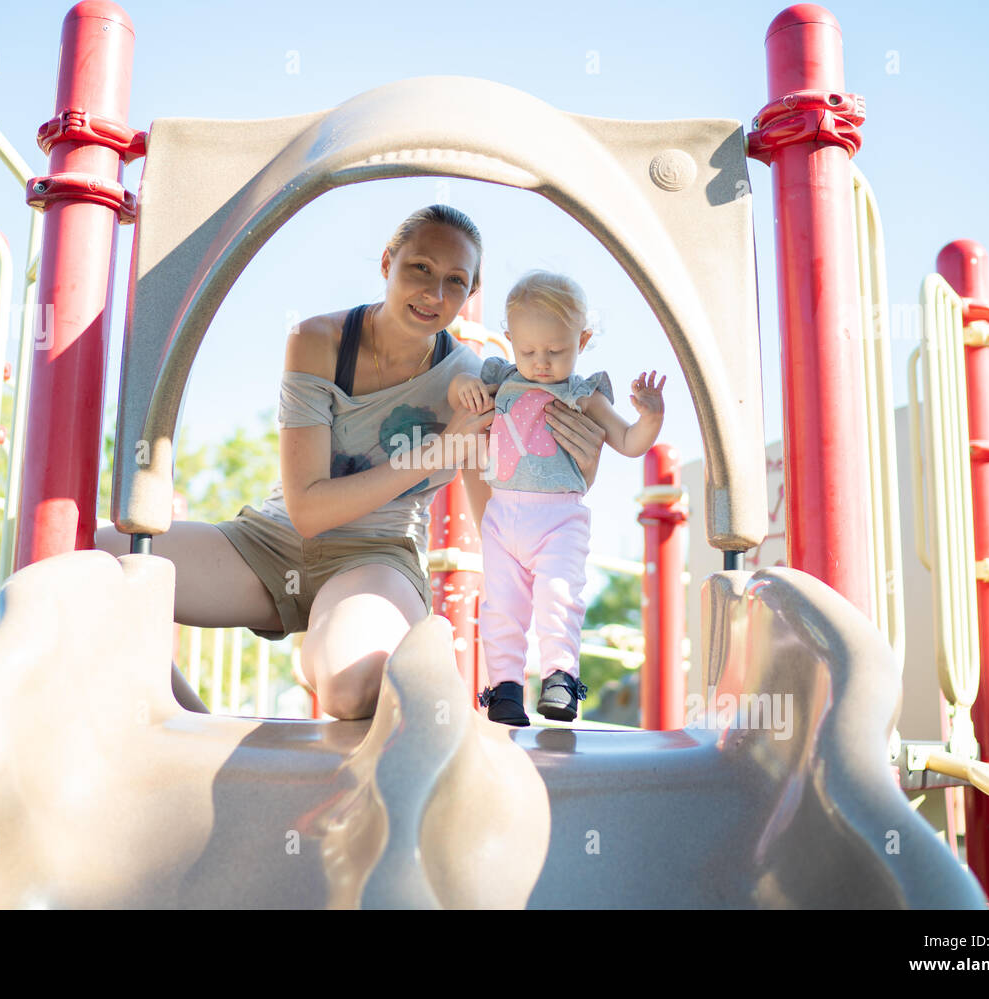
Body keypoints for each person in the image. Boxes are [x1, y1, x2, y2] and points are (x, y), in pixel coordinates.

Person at [96, 206, 608, 720]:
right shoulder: (318, 341)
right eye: (421, 269)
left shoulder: (477, 384)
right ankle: (189, 728)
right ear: (388, 262)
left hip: (378, 558)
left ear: (472, 292)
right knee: (88, 563)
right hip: (271, 545)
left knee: (348, 686)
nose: (434, 293)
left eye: (455, 280)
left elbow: (501, 518)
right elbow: (308, 511)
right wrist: (438, 450)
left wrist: (575, 479)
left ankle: (328, 646)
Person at [448, 270, 666, 726]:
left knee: (558, 596)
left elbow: (627, 441)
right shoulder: (500, 379)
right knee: (501, 605)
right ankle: (505, 688)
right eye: (528, 351)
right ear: (510, 341)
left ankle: (560, 679)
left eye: (556, 351)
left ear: (582, 340)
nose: (541, 362)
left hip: (559, 520)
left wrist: (650, 417)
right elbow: (459, 390)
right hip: (502, 517)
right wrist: (461, 389)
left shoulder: (580, 394)